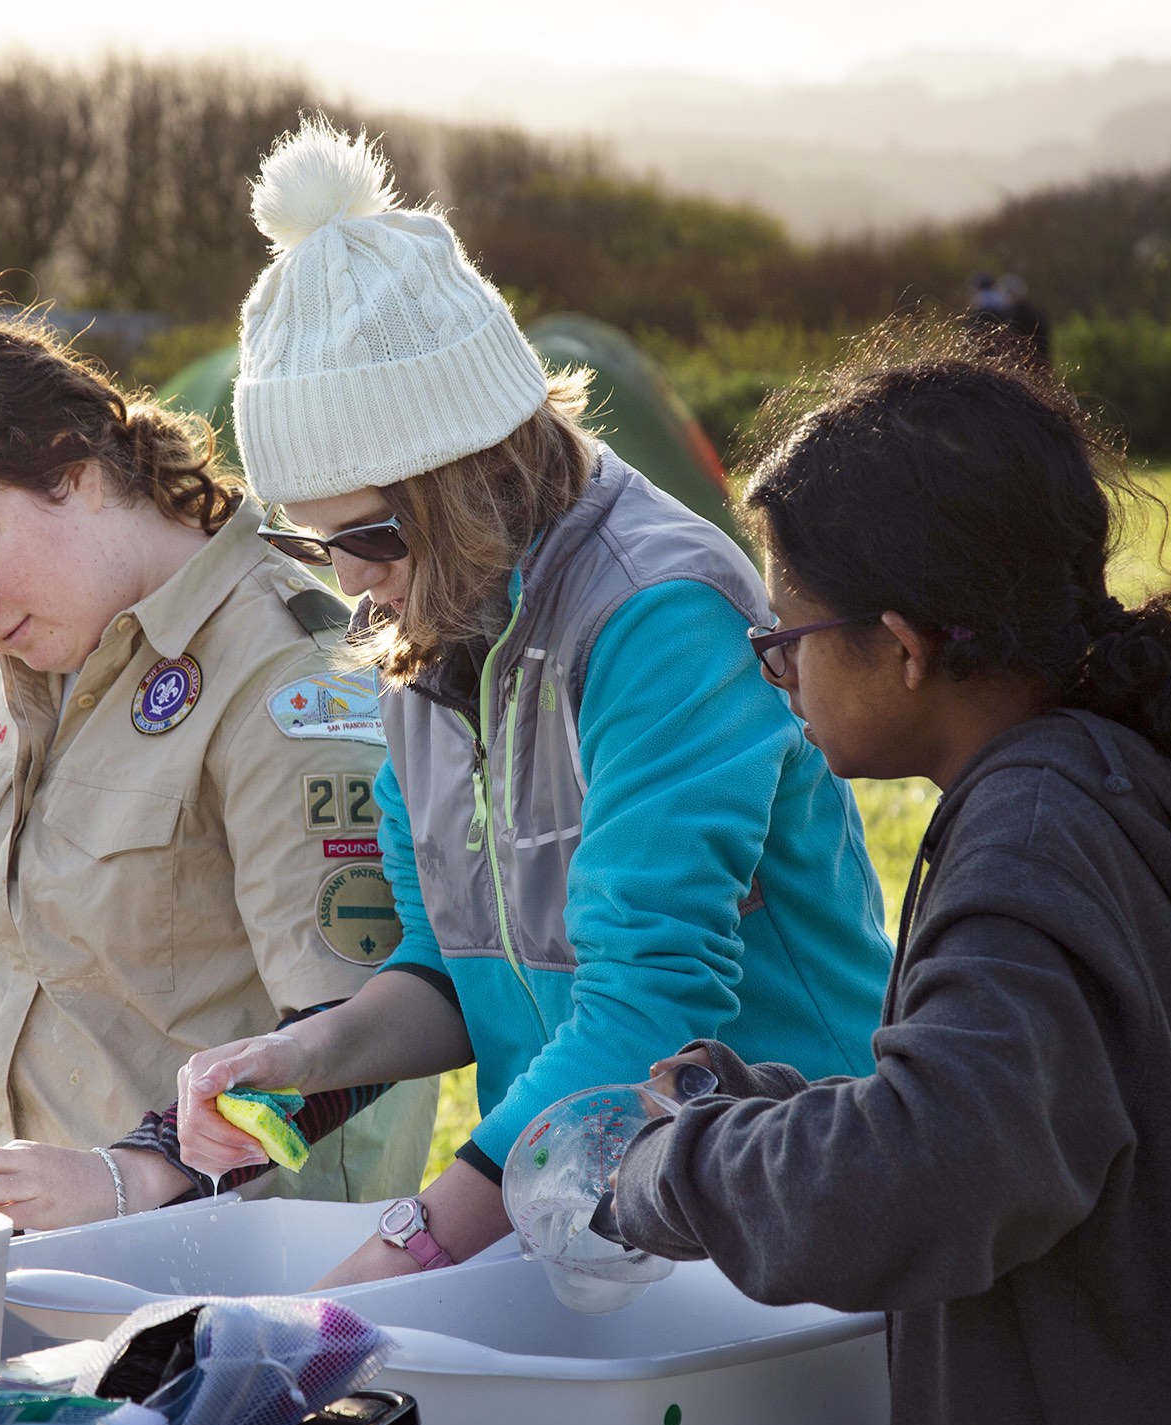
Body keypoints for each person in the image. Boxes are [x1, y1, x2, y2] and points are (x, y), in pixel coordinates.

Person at [610, 344, 1171, 1425]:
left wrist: (675, 1172)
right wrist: (769, 1116)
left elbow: (934, 1171)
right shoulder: (1111, 770)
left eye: (785, 634)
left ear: (904, 645)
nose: (773, 669)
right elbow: (1053, 1105)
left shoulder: (1034, 829)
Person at [134, 120, 895, 1286]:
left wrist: (412, 1244)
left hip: (786, 1200)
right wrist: (302, 1053)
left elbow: (648, 1001)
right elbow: (450, 971)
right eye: (311, 538)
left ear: (472, 476)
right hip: (592, 1199)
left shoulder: (659, 614)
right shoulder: (431, 616)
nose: (348, 580)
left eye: (371, 534)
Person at [0, 304, 438, 1228]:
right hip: (37, 1259)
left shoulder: (287, 671)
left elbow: (363, 1027)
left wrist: (131, 1174)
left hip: (255, 1273)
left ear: (77, 473)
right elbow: (25, 990)